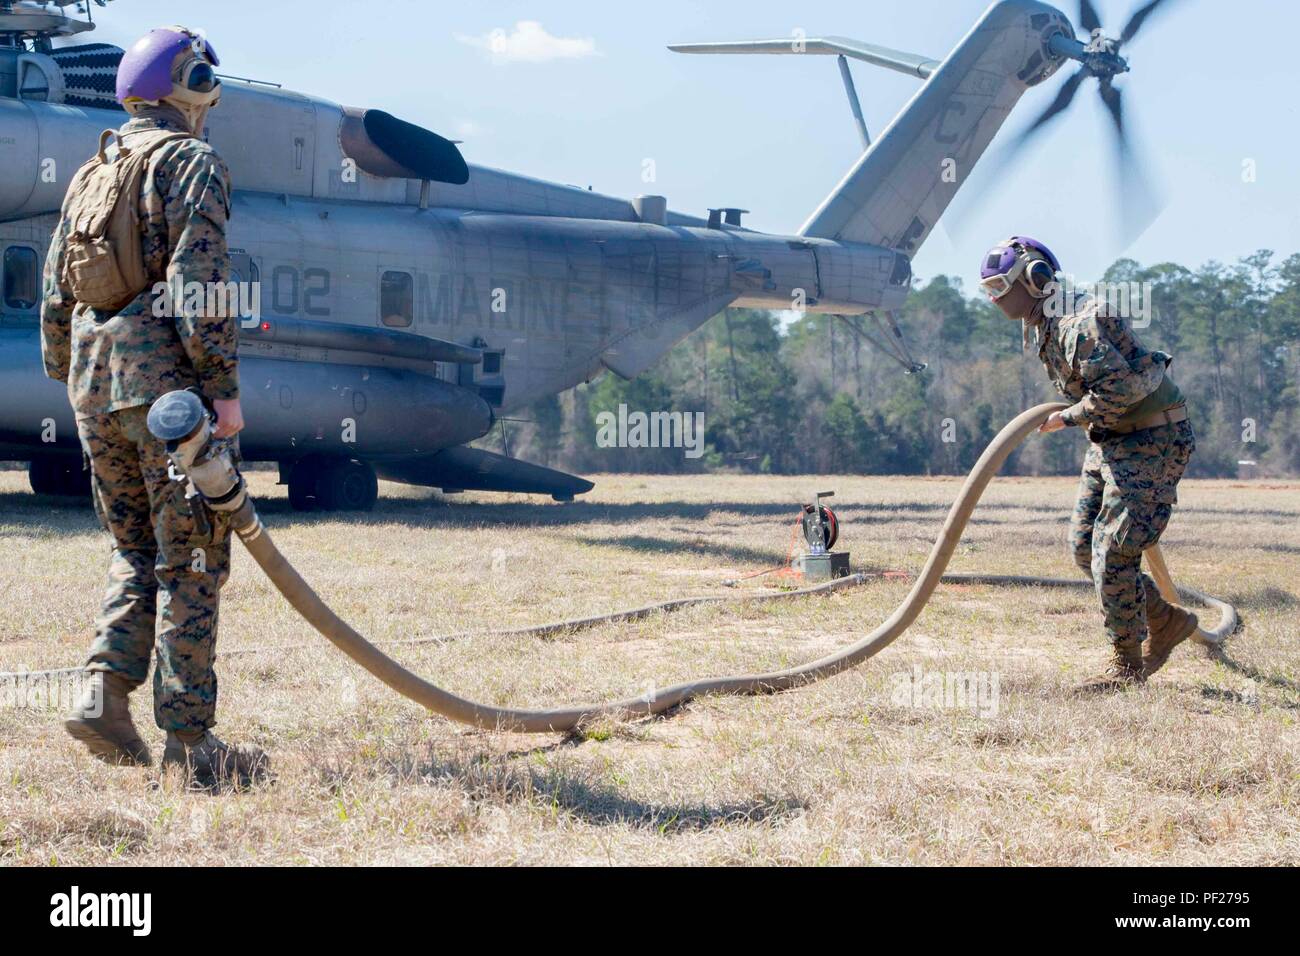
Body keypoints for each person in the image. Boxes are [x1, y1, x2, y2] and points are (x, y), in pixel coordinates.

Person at [41, 26, 265, 786]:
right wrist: (223, 391)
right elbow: (200, 284)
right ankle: (192, 750)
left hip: (92, 390)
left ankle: (103, 693)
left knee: (134, 549)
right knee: (194, 561)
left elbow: (55, 294)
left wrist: (75, 379)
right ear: (192, 82)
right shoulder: (191, 161)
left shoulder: (89, 172)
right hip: (166, 398)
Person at [978, 236, 1199, 692]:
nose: (995, 297)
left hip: (1150, 437)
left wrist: (1067, 417)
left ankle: (1126, 666)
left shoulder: (1080, 322)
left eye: (1001, 285)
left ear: (1036, 279)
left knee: (1114, 552)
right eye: (988, 289)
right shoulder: (1046, 320)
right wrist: (1079, 418)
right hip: (1112, 439)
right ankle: (1165, 620)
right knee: (1087, 549)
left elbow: (1118, 393)